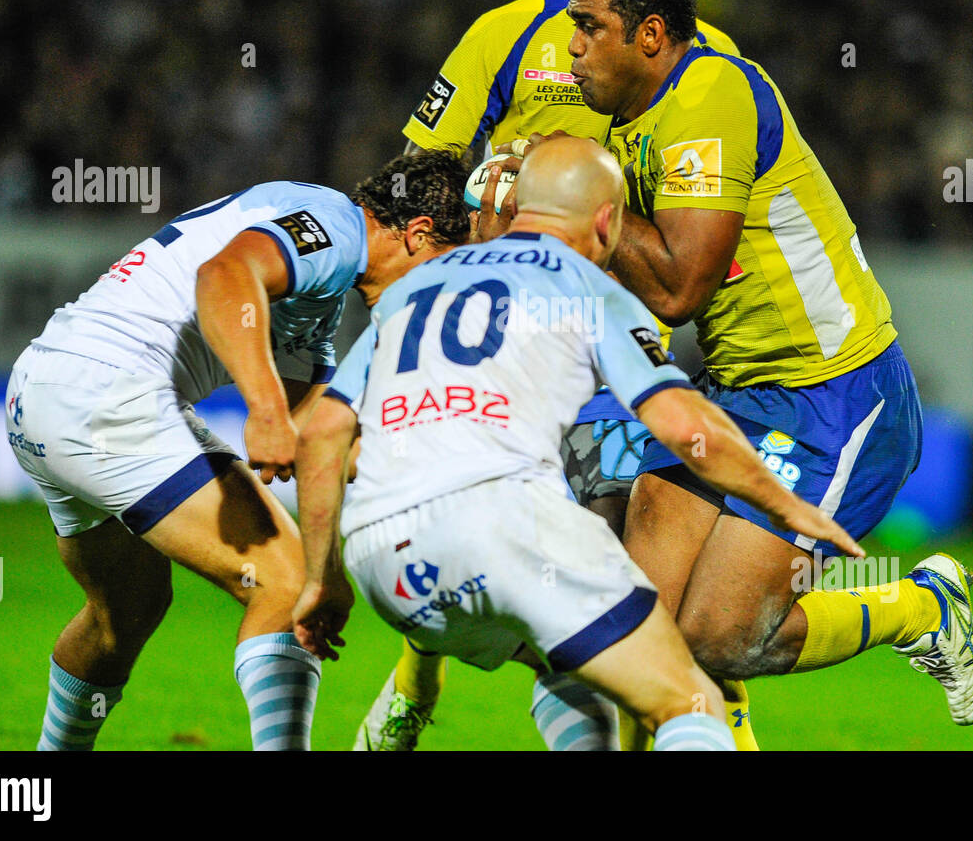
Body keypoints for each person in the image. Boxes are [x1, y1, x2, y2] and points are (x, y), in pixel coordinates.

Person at [291, 137, 862, 751]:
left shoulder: (412, 289)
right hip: (499, 528)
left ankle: (409, 701)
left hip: (386, 567)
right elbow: (682, 423)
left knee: (568, 665)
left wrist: (322, 581)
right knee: (688, 700)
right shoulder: (588, 288)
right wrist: (782, 503)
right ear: (606, 220)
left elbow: (323, 432)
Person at [560, 0, 973, 743]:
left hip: (836, 394)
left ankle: (919, 606)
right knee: (637, 635)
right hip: (734, 393)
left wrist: (575, 198)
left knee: (720, 635)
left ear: (649, 35)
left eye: (589, 26)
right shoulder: (622, 129)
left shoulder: (708, 98)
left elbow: (682, 286)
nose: (572, 45)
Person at [368, 0, 752, 752]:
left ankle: (678, 717)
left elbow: (698, 239)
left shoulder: (712, 64)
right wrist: (485, 216)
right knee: (494, 531)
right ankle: (417, 671)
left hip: (612, 341)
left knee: (622, 571)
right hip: (503, 347)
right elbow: (412, 180)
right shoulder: (508, 30)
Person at [5, 151, 471, 750]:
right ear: (417, 234)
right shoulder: (332, 226)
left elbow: (320, 439)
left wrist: (335, 566)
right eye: (449, 269)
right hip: (107, 395)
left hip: (42, 392)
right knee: (281, 583)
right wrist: (266, 408)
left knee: (127, 610)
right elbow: (224, 277)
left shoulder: (318, 292)